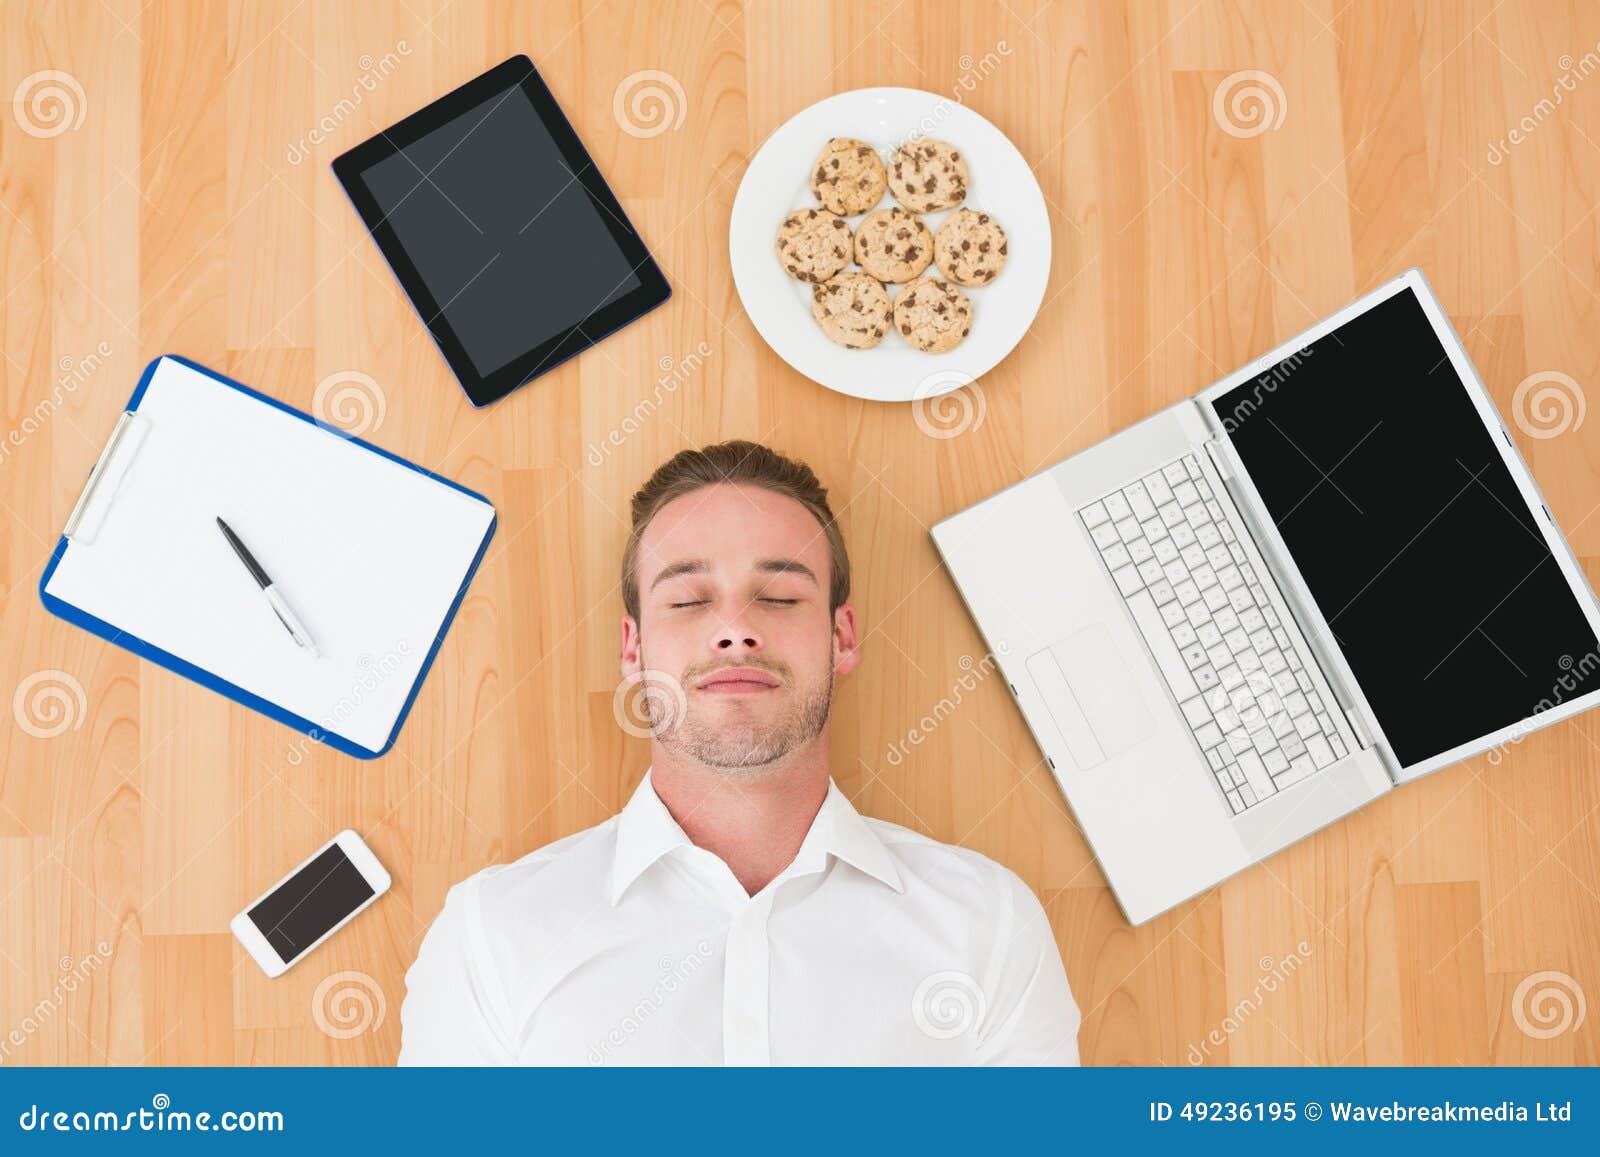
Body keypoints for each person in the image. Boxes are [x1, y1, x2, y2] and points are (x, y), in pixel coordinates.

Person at [399, 440, 1080, 1065]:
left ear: (842, 636)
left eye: (779, 596)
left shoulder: (989, 927)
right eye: (690, 599)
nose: (735, 630)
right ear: (633, 649)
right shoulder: (492, 935)